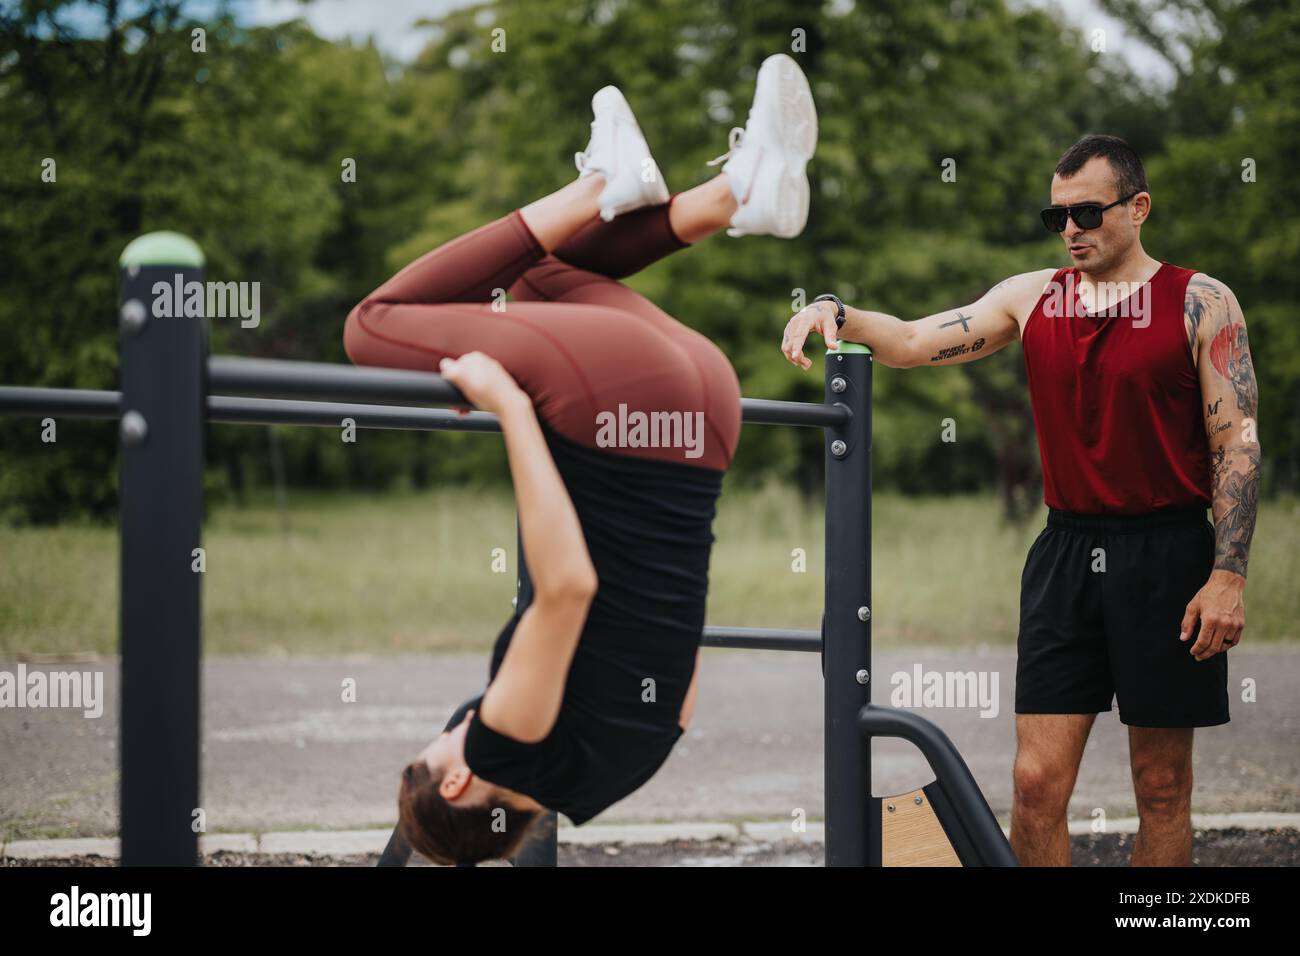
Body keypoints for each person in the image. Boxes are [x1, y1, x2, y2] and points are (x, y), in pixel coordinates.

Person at [344, 54, 819, 865]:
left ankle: (735, 195)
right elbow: (567, 588)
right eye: (435, 745)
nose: (451, 728)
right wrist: (512, 410)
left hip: (702, 411)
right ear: (453, 782)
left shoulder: (605, 783)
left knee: (534, 275)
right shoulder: (502, 752)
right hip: (617, 405)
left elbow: (682, 642)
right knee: (373, 324)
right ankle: (606, 183)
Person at [779, 134, 1260, 866]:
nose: (1072, 229)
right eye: (1057, 216)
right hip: (1065, 556)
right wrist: (834, 312)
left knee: (1161, 787)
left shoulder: (1202, 302)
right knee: (1035, 783)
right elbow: (909, 340)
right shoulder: (1032, 297)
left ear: (1139, 208)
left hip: (1168, 556)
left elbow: (1237, 446)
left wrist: (1228, 575)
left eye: (1089, 212)